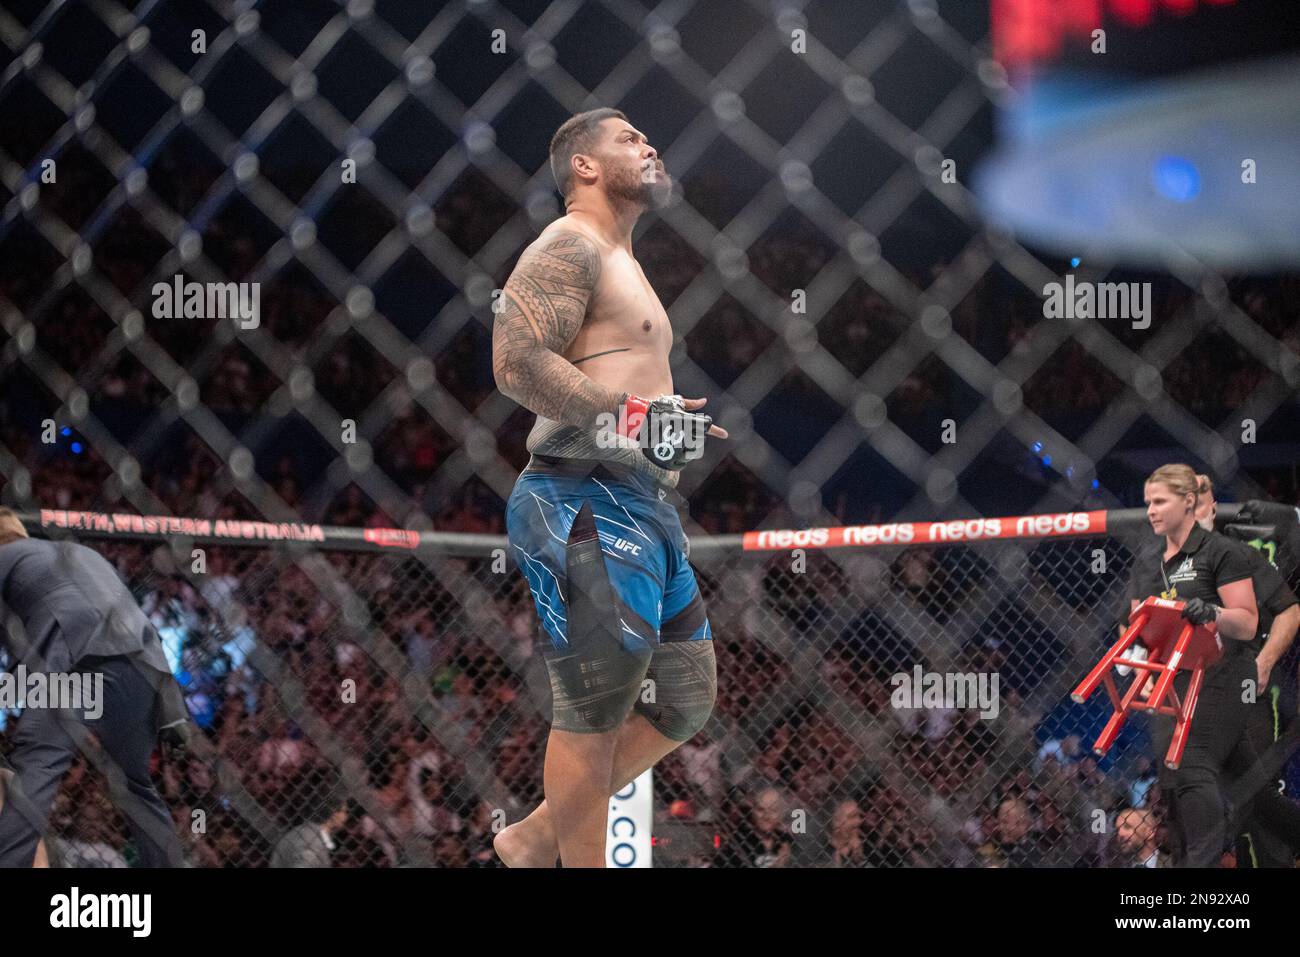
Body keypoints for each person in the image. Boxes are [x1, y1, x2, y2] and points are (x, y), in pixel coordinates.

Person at [492, 108, 728, 867]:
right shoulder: (571, 242)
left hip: (646, 501)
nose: (650, 142)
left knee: (687, 698)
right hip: (579, 494)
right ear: (584, 166)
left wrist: (663, 425)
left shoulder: (626, 259)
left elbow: (619, 387)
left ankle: (531, 837)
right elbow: (517, 359)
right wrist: (632, 415)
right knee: (595, 709)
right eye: (629, 136)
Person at [0, 508, 188, 867]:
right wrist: (172, 707)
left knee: (36, 766)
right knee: (137, 787)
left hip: (75, 658)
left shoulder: (5, 558)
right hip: (140, 665)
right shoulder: (80, 553)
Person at [1119, 465, 1259, 867]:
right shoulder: (1148, 563)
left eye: (1160, 501)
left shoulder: (1221, 552)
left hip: (1221, 679)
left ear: (1188, 501)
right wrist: (1140, 666)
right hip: (1171, 684)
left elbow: (1247, 622)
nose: (1151, 511)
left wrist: (1212, 611)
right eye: (1147, 503)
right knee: (1176, 788)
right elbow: (1138, 628)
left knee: (1193, 772)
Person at [1194, 475, 1300, 866]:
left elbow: (1290, 610)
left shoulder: (1246, 553)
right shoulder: (1168, 560)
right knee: (1222, 803)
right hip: (1196, 696)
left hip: (1247, 687)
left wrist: (1264, 661)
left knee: (1259, 790)